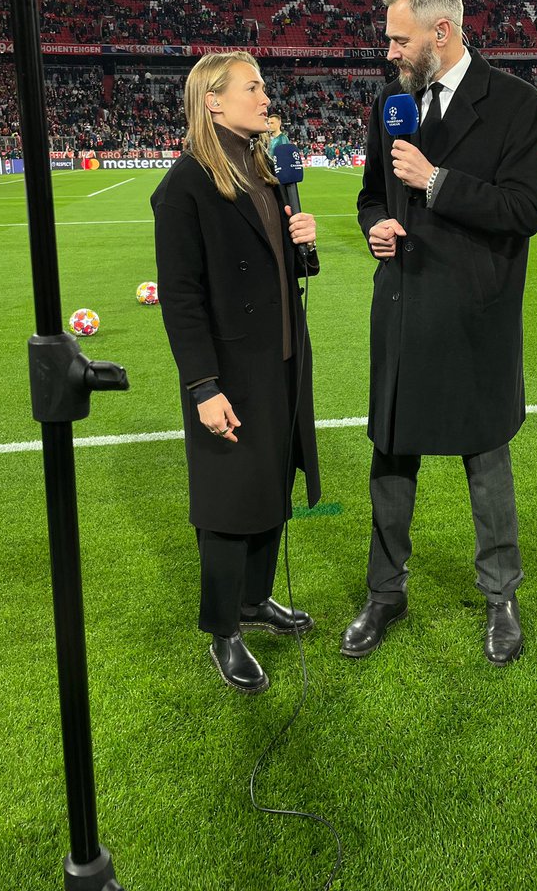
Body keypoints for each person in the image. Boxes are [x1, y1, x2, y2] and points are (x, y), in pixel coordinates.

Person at [341, 0, 537, 667]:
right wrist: (375, 226)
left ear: (441, 31)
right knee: (391, 456)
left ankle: (501, 598)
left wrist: (436, 182)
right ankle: (384, 592)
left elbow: (524, 212)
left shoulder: (518, 104)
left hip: (475, 315)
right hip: (402, 306)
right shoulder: (390, 103)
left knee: (486, 459)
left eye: (399, 37)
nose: (388, 49)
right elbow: (372, 194)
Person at [151, 51, 321, 695]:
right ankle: (225, 630)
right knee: (228, 502)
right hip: (228, 371)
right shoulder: (186, 184)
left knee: (272, 486)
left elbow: (286, 270)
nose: (265, 95)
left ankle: (254, 602)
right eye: (253, 87)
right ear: (214, 101)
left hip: (280, 359)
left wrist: (303, 242)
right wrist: (202, 387)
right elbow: (182, 296)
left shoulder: (265, 168)